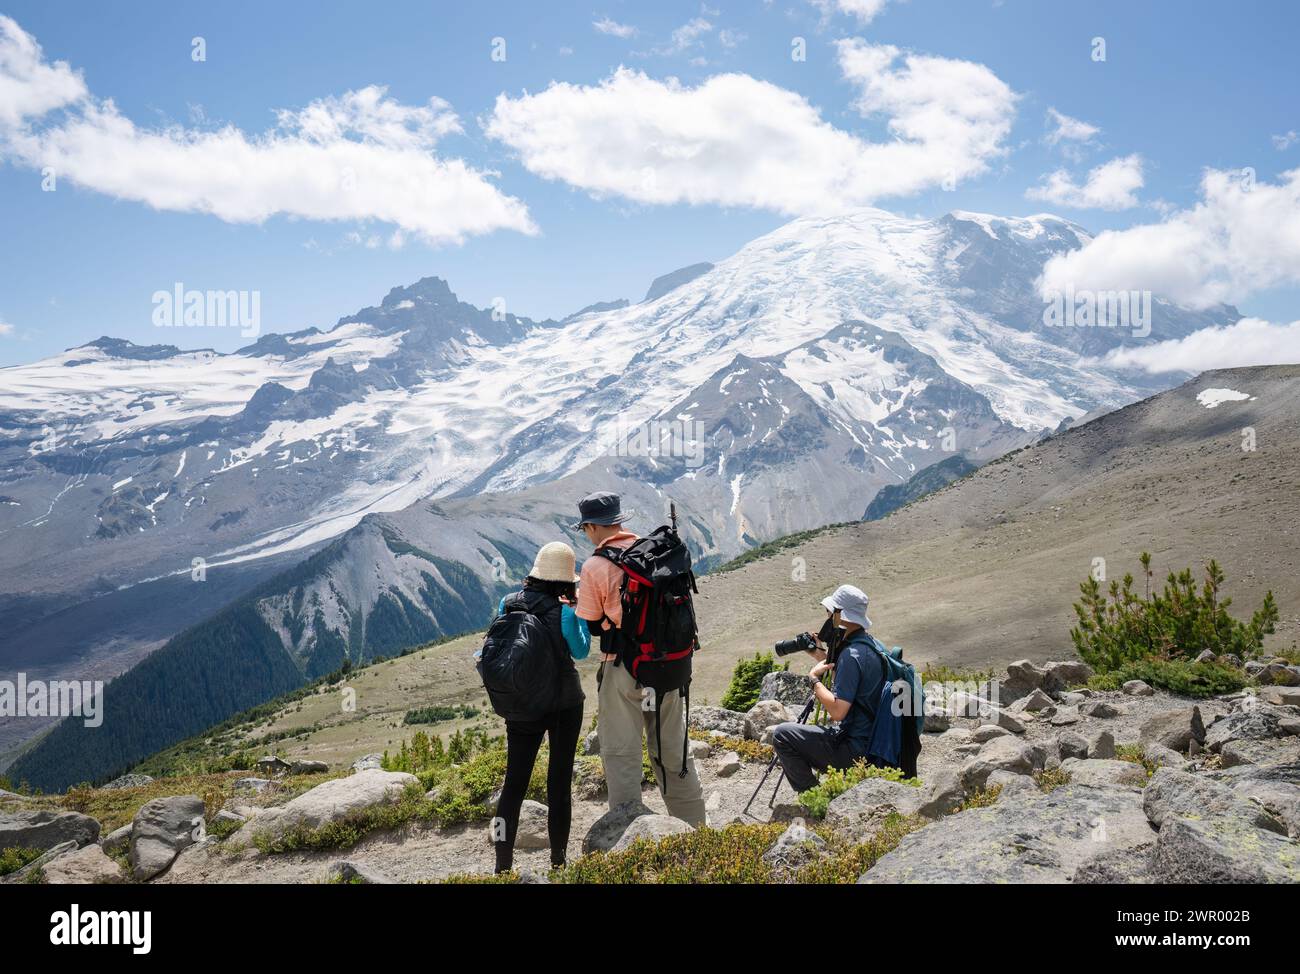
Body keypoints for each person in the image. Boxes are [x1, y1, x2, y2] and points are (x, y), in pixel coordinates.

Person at [573, 490, 706, 825]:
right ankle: (697, 832)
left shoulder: (594, 566)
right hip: (670, 668)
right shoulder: (656, 554)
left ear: (591, 527)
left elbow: (593, 628)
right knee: (674, 754)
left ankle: (629, 836)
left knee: (622, 754)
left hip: (623, 669)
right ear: (620, 520)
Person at [488, 541, 589, 874]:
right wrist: (578, 615)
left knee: (513, 784)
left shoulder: (508, 602)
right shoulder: (564, 611)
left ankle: (502, 867)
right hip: (562, 705)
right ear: (564, 579)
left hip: (520, 705)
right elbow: (581, 650)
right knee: (558, 782)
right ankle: (558, 863)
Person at [771, 584, 887, 793]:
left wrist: (813, 679)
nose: (826, 615)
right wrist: (820, 656)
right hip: (875, 745)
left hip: (855, 750)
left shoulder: (851, 655)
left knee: (782, 735)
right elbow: (850, 679)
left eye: (829, 611)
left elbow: (837, 711)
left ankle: (816, 799)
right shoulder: (869, 646)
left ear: (839, 616)